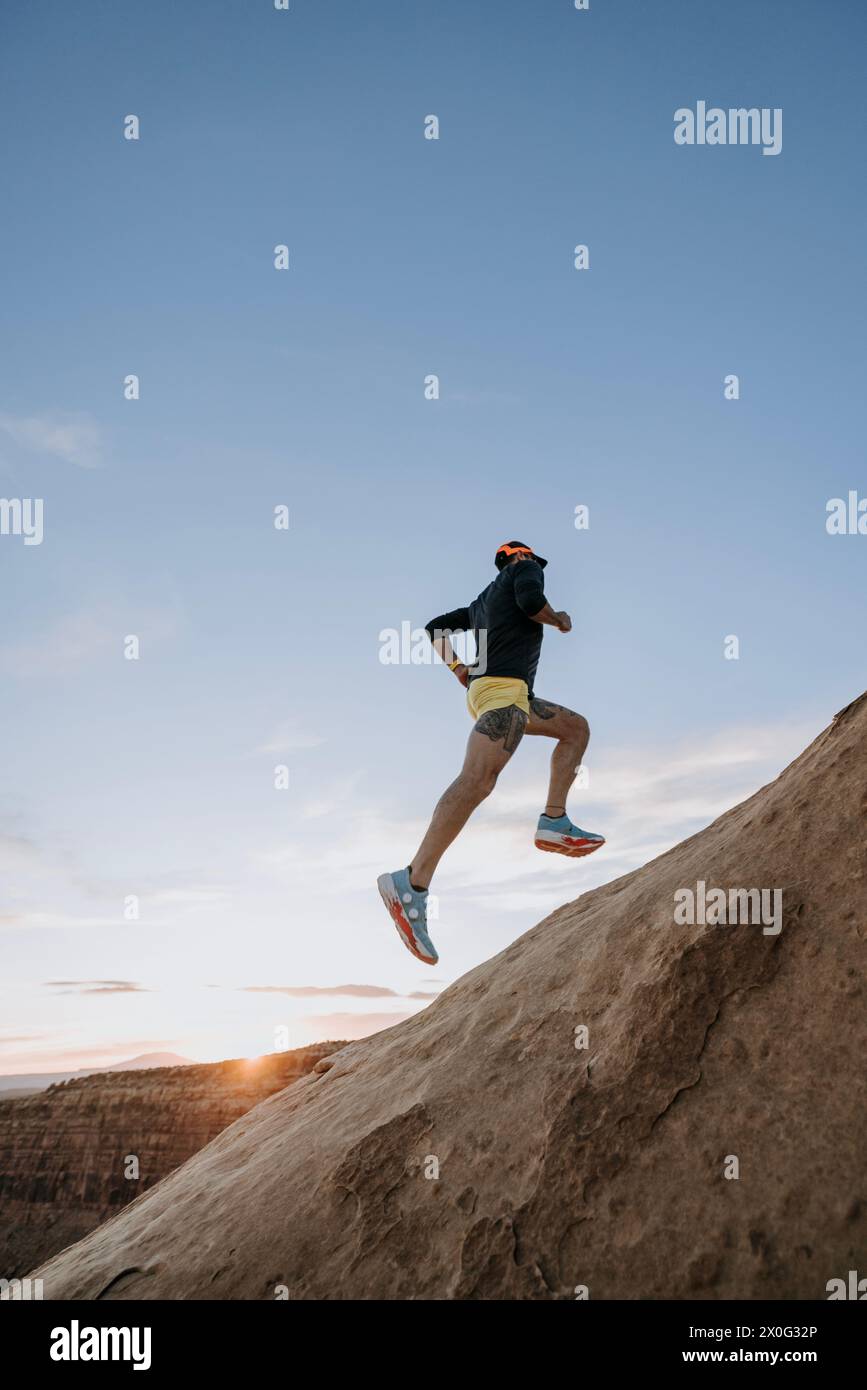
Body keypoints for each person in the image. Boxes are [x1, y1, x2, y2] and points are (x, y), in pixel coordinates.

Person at [377, 541, 605, 964]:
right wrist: (559, 620)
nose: (537, 567)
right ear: (522, 556)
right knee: (478, 780)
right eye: (534, 561)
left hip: (502, 692)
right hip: (504, 692)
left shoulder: (480, 602)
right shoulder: (524, 569)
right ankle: (412, 881)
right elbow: (533, 600)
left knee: (574, 728)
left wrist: (461, 672)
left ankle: (553, 820)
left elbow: (433, 628)